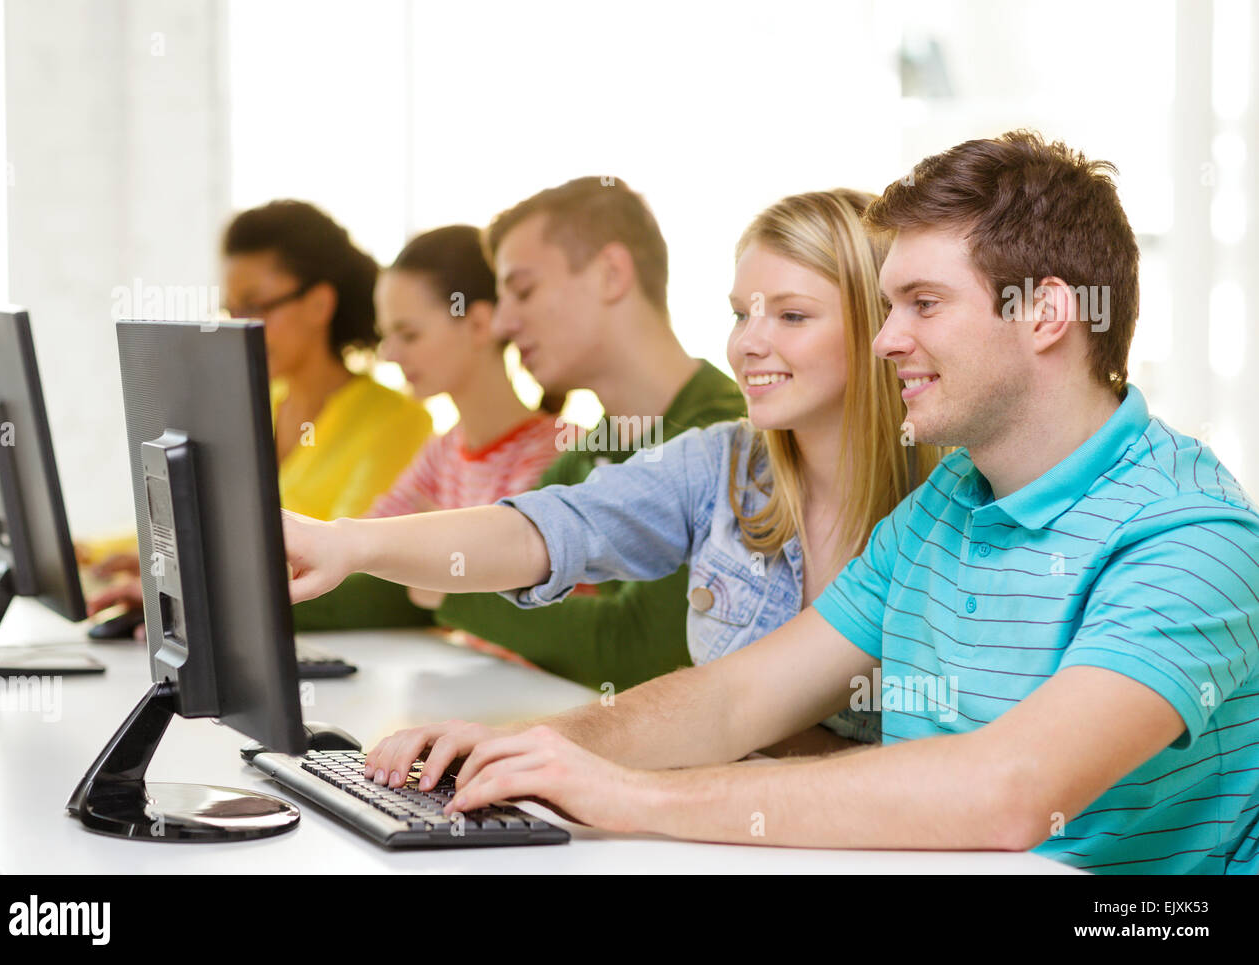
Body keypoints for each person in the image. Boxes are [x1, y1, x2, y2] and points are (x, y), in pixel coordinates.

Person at [297, 132, 1259, 874]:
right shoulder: (948, 507)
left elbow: (1011, 791)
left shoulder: (1188, 533)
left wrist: (637, 796)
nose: (889, 342)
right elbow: (735, 696)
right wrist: (533, 749)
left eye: (923, 305)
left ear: (1046, 313)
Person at [281, 188, 944, 751]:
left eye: (792, 314)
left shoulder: (951, 504)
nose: (748, 341)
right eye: (741, 314)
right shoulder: (723, 461)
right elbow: (547, 529)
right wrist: (346, 542)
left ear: (878, 328)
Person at [301, 177, 747, 681]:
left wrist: (450, 587)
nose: (504, 323)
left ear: (610, 273)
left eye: (524, 290)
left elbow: (639, 647)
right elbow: (464, 571)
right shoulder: (585, 456)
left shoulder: (726, 437)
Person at [83, 200, 431, 622]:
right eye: (231, 309)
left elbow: (344, 566)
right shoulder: (251, 405)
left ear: (319, 304)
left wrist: (193, 590)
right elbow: (197, 519)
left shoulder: (396, 422)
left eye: (255, 306)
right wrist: (92, 551)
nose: (238, 325)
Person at [291, 225, 565, 633]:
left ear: (477, 325)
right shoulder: (442, 451)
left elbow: (508, 601)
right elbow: (362, 548)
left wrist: (434, 569)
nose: (390, 353)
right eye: (387, 336)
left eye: (410, 334)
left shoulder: (554, 452)